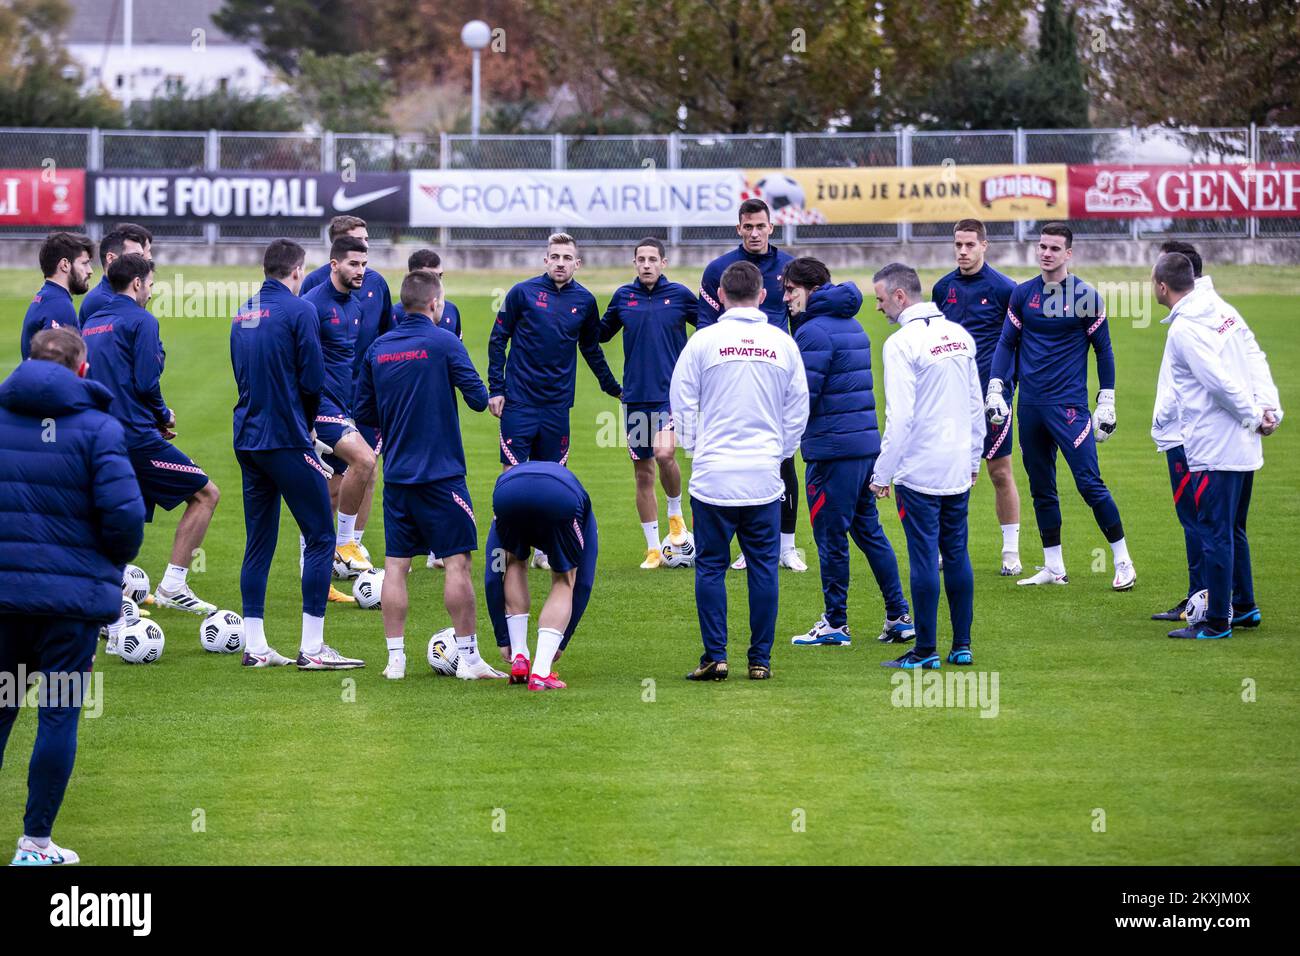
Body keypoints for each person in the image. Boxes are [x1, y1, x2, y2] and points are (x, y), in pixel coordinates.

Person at [0, 328, 145, 866]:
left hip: (5, 599)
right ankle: (35, 844)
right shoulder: (97, 427)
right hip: (70, 606)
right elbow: (126, 517)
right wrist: (106, 562)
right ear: (82, 371)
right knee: (57, 715)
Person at [354, 268, 503, 680]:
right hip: (442, 477)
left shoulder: (378, 349)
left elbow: (363, 412)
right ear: (436, 304)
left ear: (403, 304)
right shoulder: (444, 342)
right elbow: (477, 399)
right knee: (457, 563)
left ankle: (395, 661)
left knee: (396, 566)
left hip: (398, 477)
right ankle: (470, 659)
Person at [671, 260, 809, 682]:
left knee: (711, 567)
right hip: (763, 476)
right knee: (764, 567)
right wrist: (779, 454)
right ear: (762, 296)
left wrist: (698, 448)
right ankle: (760, 658)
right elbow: (798, 407)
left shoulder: (704, 341)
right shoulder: (782, 342)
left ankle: (716, 655)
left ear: (722, 297)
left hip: (714, 476)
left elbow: (681, 403)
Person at [230, 239, 364, 670]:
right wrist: (307, 425)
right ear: (297, 271)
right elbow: (312, 379)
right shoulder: (301, 309)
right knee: (322, 536)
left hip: (247, 439)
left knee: (259, 541)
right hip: (286, 439)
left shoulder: (243, 312)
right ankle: (312, 648)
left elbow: (241, 373)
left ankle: (256, 646)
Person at [987, 223, 1135, 590]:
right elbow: (1006, 344)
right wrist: (995, 387)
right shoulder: (1022, 295)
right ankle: (1054, 566)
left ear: (1068, 254)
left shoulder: (1086, 296)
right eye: (1042, 247)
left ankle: (1123, 560)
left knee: (1089, 484)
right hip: (1030, 407)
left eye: (1054, 248)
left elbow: (1104, 350)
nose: (1046, 253)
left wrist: (1107, 400)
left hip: (1069, 408)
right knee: (1041, 488)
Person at [783, 257, 914, 648]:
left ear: (812, 289)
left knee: (830, 536)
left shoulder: (814, 333)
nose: (787, 299)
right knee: (869, 531)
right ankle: (899, 616)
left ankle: (835, 623)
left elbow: (801, 398)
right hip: (862, 447)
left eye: (792, 291)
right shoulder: (852, 325)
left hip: (831, 452)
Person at [82, 254, 221, 615]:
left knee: (119, 515)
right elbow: (145, 382)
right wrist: (162, 415)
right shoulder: (141, 321)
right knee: (206, 493)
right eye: (151, 284)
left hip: (100, 437)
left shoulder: (92, 321)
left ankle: (101, 598)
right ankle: (173, 585)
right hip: (135, 438)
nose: (152, 292)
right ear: (138, 284)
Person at [1151, 253, 1281, 640]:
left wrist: (1255, 414)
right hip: (1243, 443)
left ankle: (1217, 621)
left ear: (1161, 286)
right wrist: (1269, 407)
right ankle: (1244, 606)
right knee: (1233, 529)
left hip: (1214, 445)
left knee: (1214, 532)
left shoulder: (1184, 330)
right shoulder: (1223, 309)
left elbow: (1218, 383)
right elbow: (1256, 355)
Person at [869, 264, 985, 669]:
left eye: (882, 299)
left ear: (900, 297)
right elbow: (976, 404)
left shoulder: (901, 344)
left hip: (919, 469)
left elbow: (900, 417)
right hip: (955, 465)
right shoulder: (959, 335)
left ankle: (924, 650)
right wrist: (973, 458)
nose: (879, 308)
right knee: (956, 554)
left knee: (922, 559)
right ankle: (962, 645)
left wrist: (882, 473)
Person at [487, 233, 621, 567]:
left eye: (567, 258)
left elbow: (591, 347)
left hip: (557, 406)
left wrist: (611, 386)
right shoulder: (522, 293)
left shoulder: (586, 301)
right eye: (555, 256)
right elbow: (497, 338)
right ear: (546, 260)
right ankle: (511, 548)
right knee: (511, 477)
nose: (560, 263)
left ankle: (545, 549)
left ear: (578, 263)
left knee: (552, 481)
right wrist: (496, 388)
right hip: (518, 402)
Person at [698, 198, 804, 572]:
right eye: (748, 227)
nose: (755, 233)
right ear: (738, 228)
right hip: (732, 380)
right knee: (740, 459)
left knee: (784, 459)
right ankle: (750, 545)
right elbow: (704, 324)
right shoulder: (717, 269)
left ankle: (787, 546)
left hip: (774, 377)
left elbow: (803, 320)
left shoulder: (789, 267)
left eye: (761, 226)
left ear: (771, 227)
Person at [598, 237, 698, 568]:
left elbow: (710, 329)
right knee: (643, 473)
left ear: (663, 263)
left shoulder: (681, 296)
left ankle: (675, 513)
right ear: (634, 263)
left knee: (664, 452)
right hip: (635, 397)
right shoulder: (623, 298)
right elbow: (597, 335)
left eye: (652, 259)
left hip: (671, 397)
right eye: (640, 259)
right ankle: (655, 549)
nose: (646, 264)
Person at [932, 218, 1022, 574]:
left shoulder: (1004, 289)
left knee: (999, 471)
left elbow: (1017, 343)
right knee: (949, 474)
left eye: (970, 245)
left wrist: (1004, 387)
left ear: (985, 245)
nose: (963, 252)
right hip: (951, 398)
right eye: (958, 245)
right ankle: (946, 550)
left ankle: (1010, 553)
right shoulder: (943, 289)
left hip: (992, 396)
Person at [301, 215, 393, 563]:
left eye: (365, 255)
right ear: (335, 258)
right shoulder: (312, 296)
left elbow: (385, 336)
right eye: (356, 251)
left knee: (362, 471)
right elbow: (297, 357)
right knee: (348, 471)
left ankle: (346, 546)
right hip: (322, 404)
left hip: (359, 400)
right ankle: (336, 545)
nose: (363, 261)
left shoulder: (364, 294)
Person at [483, 461, 599, 691]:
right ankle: (540, 673)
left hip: (508, 494)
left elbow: (493, 574)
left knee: (514, 561)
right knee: (565, 579)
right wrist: (561, 640)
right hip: (561, 498)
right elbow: (583, 582)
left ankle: (519, 657)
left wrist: (502, 637)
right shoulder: (585, 511)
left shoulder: (504, 506)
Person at [19, 232, 93, 359]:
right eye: (84, 263)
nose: (90, 271)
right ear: (65, 265)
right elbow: (56, 368)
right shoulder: (59, 305)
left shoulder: (46, 297)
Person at [78, 223, 152, 326]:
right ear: (111, 258)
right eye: (135, 256)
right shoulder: (103, 301)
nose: (142, 262)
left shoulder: (123, 294)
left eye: (141, 257)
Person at [391, 249, 462, 338]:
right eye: (430, 276)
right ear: (412, 278)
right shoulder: (395, 314)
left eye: (440, 276)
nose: (438, 282)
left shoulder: (451, 310)